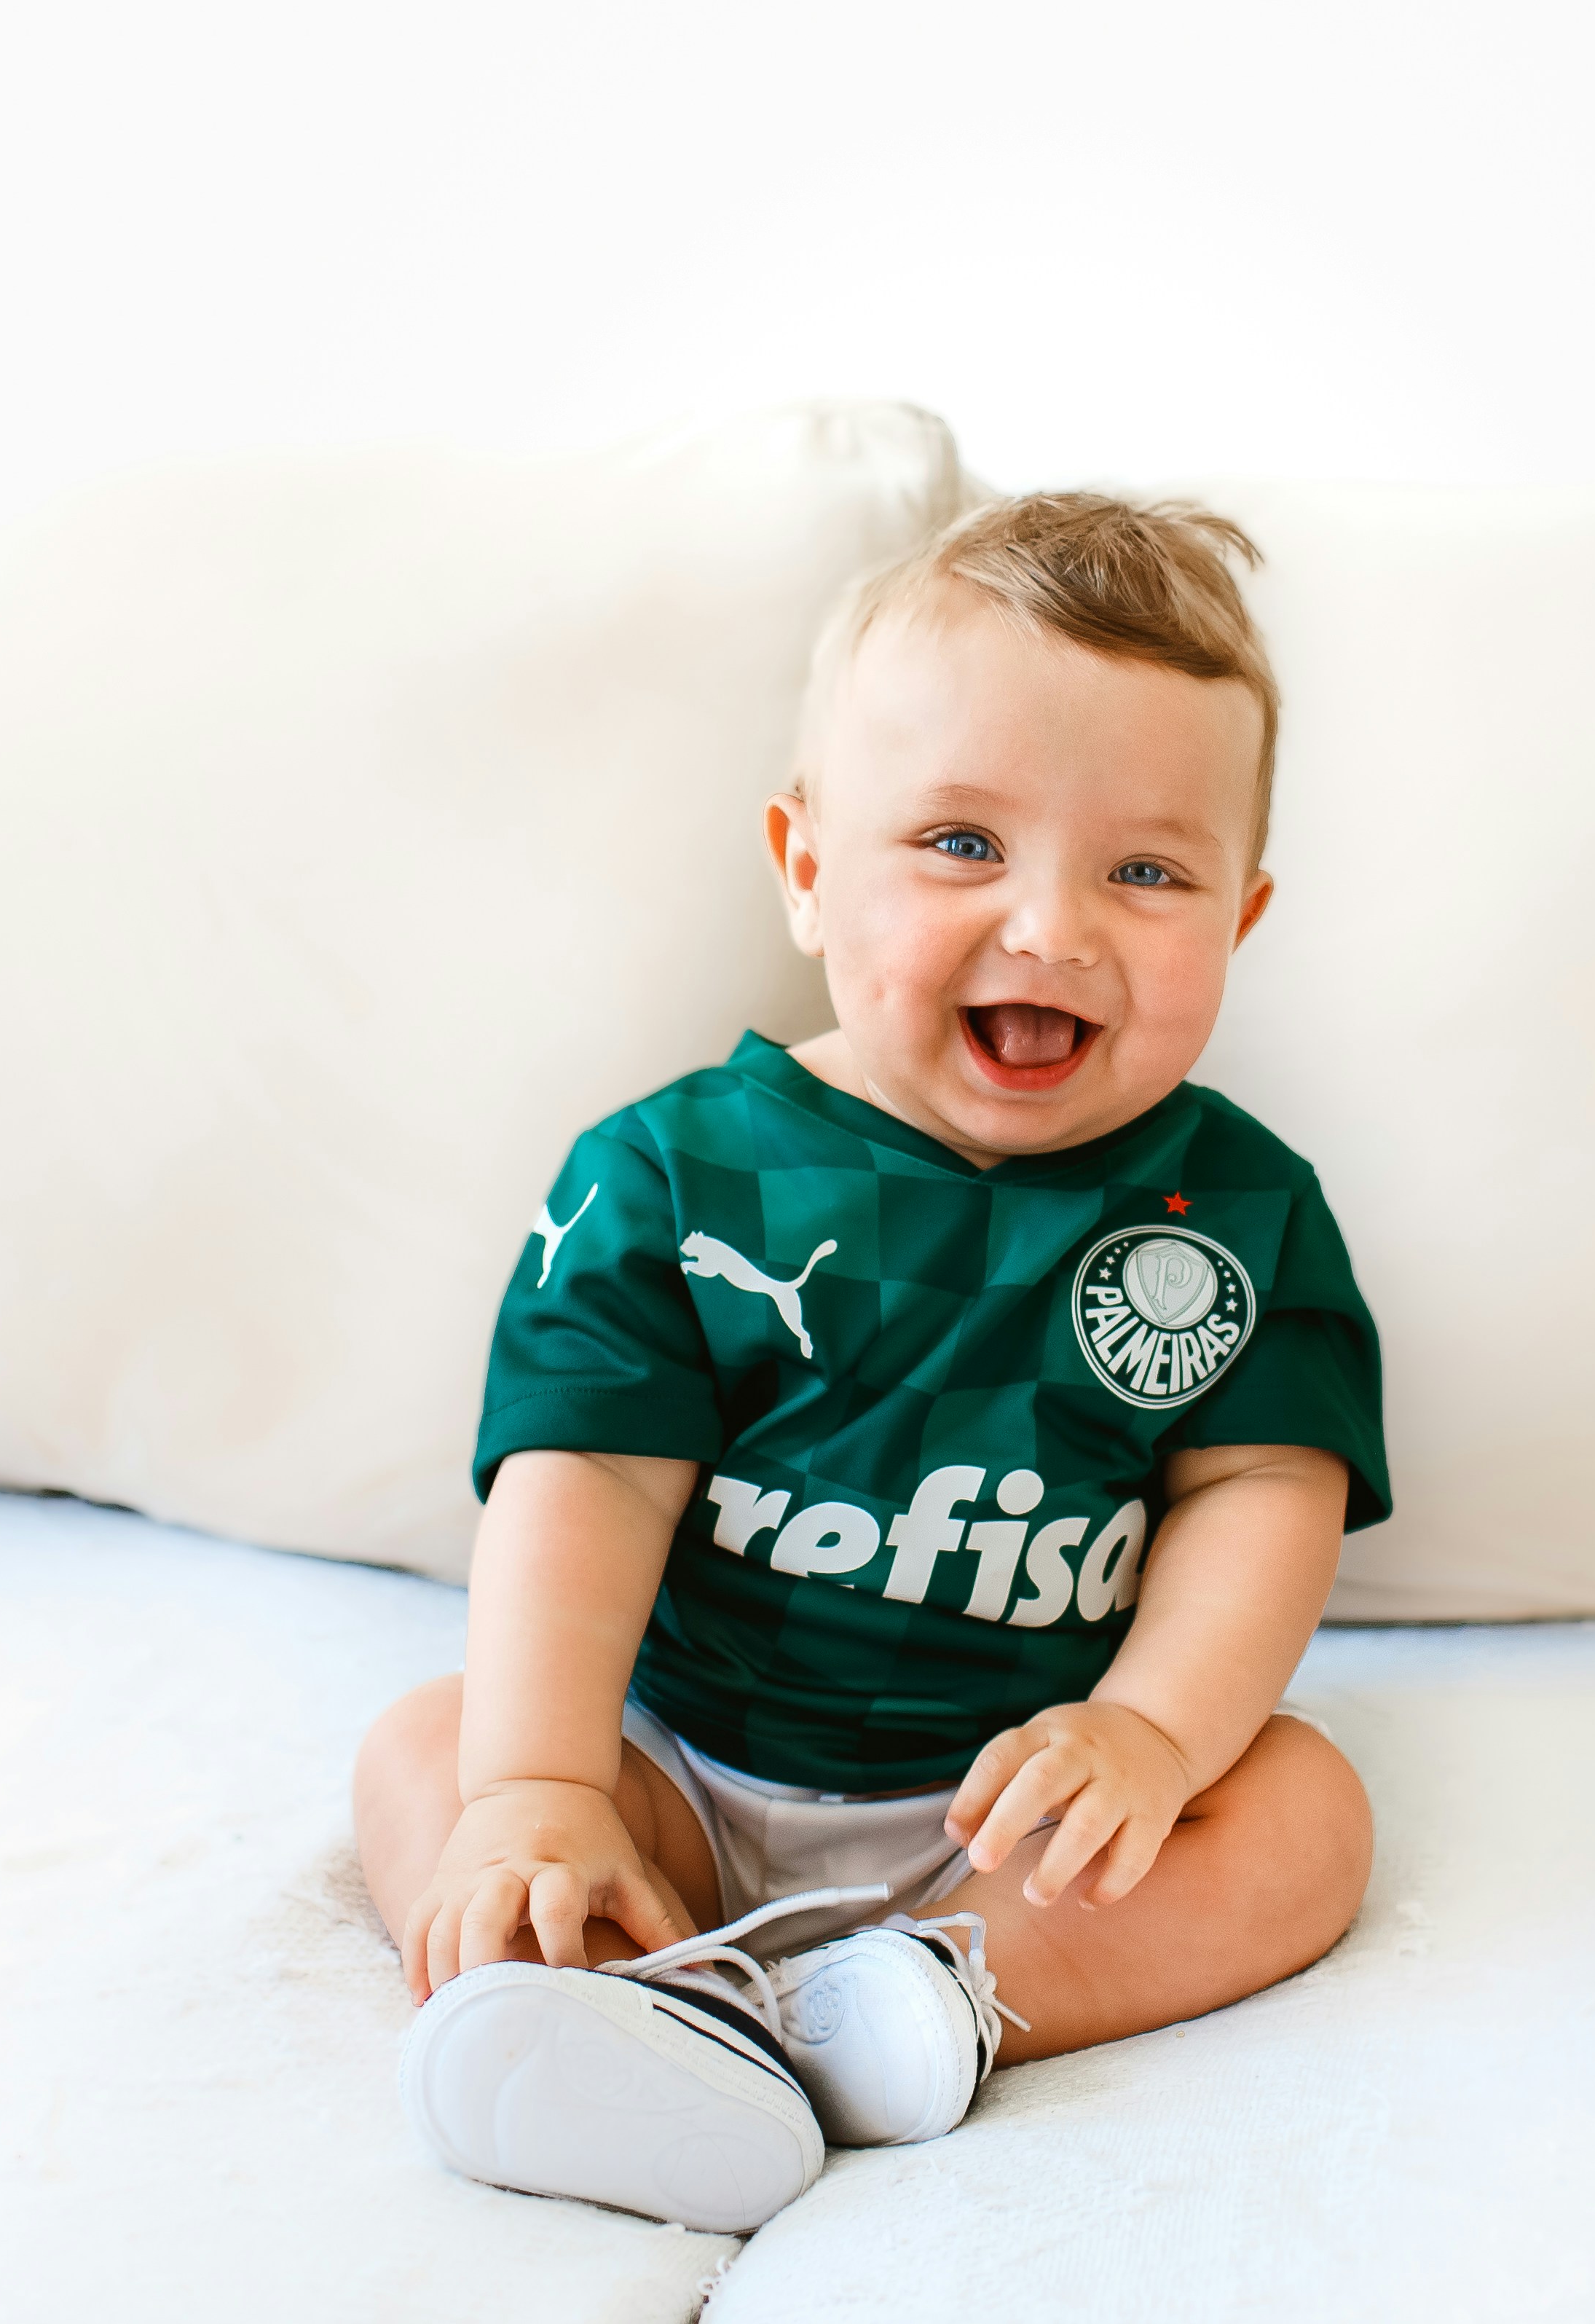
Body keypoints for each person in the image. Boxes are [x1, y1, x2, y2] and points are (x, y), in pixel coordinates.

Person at [353, 492, 1392, 2231]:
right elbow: (585, 1475)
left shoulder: (1242, 1210)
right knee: (428, 1750)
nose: (1052, 926)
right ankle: (615, 1969)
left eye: (1146, 870)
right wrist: (537, 1788)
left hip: (1020, 1827)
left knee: (1305, 1811)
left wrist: (1144, 1730)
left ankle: (925, 2004)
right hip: (685, 1771)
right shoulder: (678, 1172)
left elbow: (1259, 1495)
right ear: (806, 861)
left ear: (1243, 913)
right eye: (960, 845)